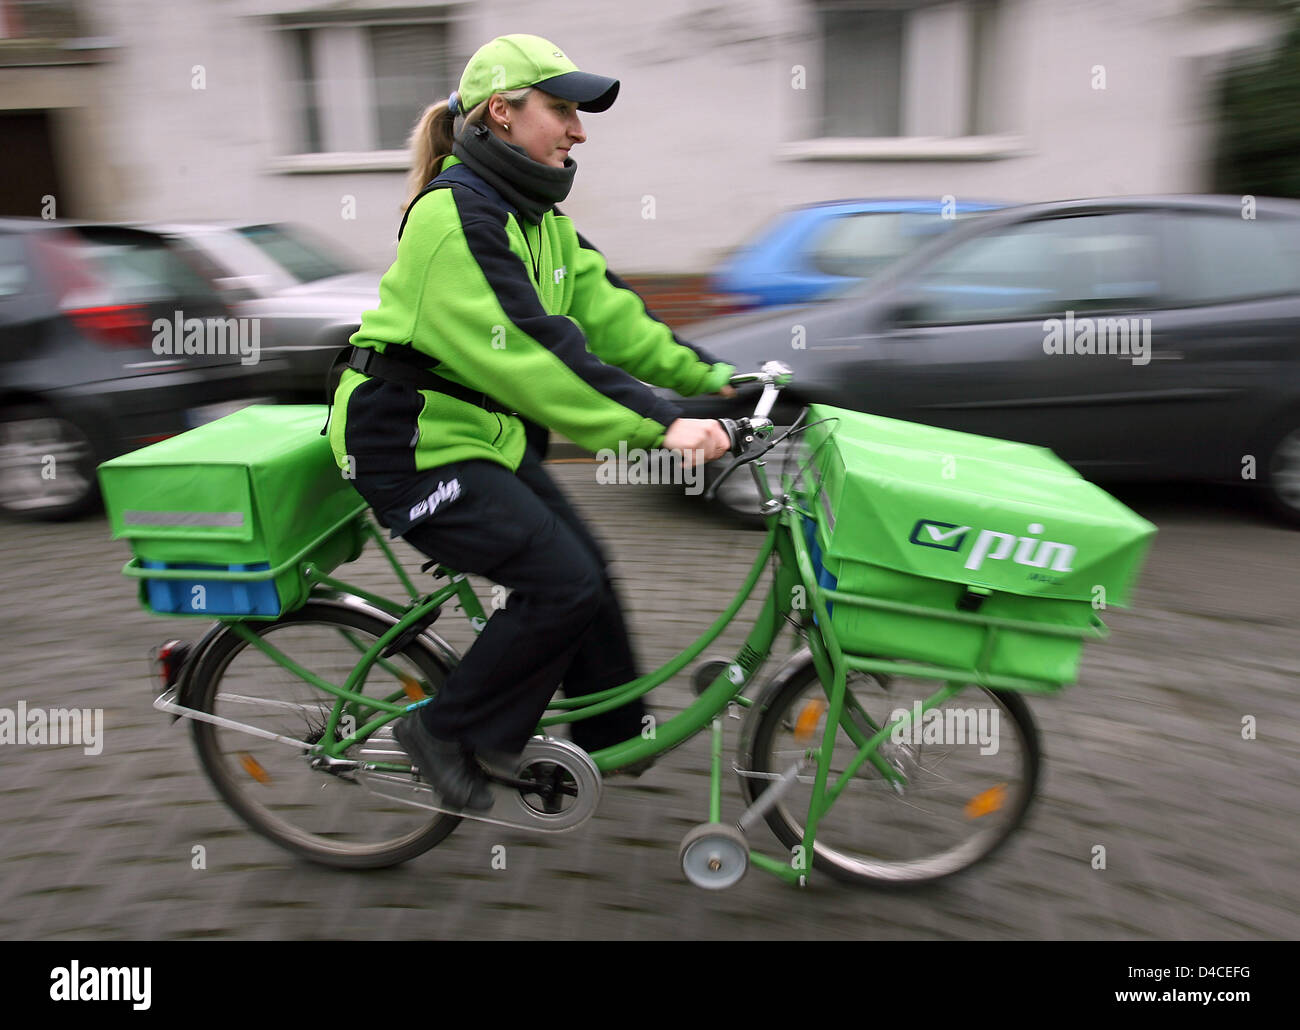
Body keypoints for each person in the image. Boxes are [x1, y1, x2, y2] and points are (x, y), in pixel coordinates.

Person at [328, 33, 736, 812]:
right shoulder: (456, 217)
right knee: (560, 583)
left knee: (590, 568)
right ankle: (443, 733)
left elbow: (614, 321)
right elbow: (532, 354)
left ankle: (611, 738)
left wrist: (717, 382)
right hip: (407, 444)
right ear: (502, 115)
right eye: (562, 109)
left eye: (579, 113)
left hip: (477, 437)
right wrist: (661, 426)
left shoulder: (538, 215)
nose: (579, 130)